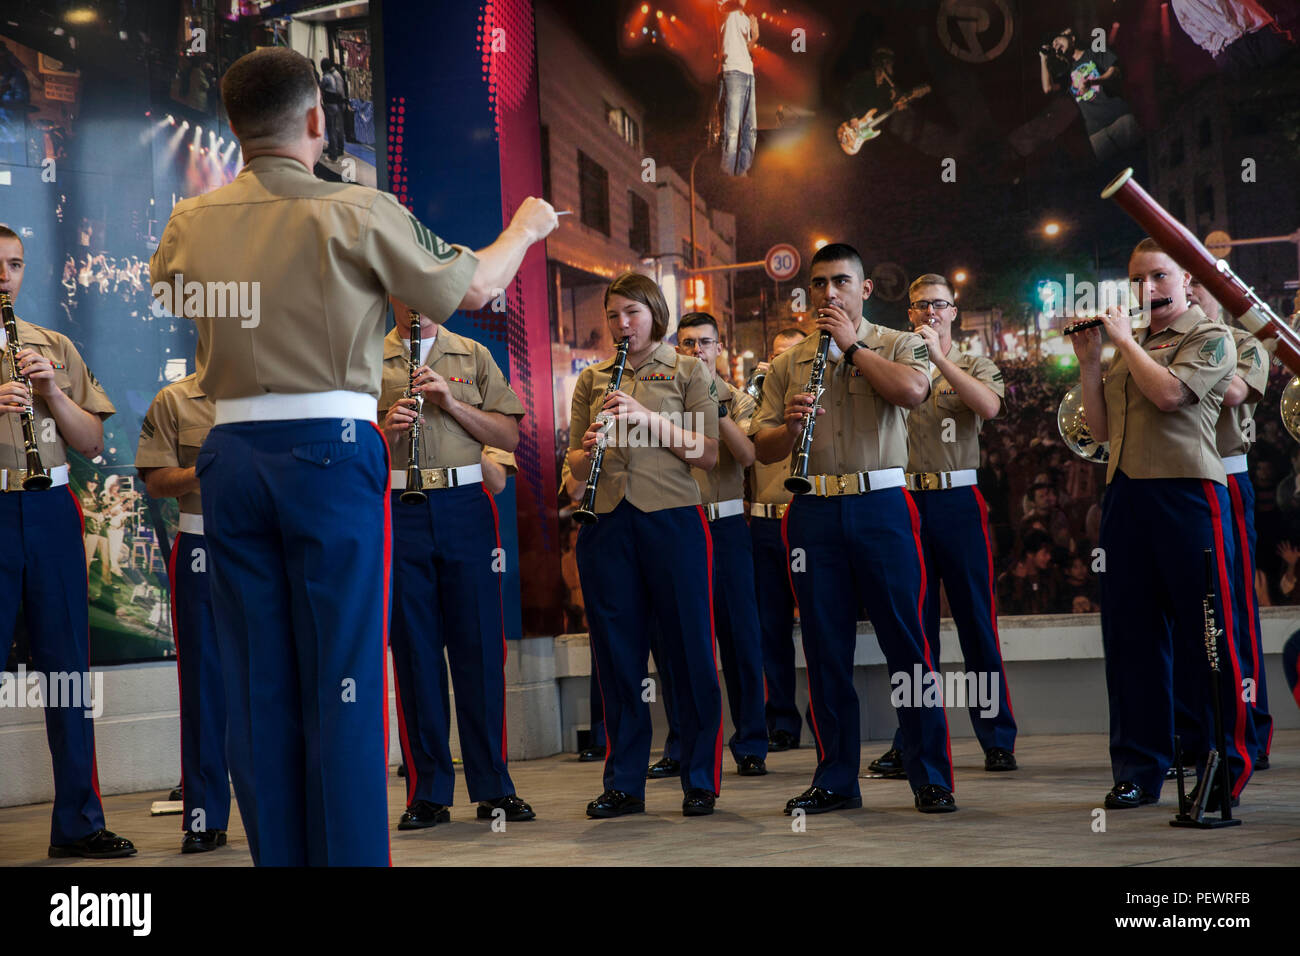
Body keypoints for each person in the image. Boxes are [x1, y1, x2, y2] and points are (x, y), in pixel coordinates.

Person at [149, 47, 556, 866]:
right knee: (344, 678)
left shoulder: (188, 221)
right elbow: (474, 290)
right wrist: (526, 226)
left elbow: (172, 295)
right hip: (329, 453)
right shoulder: (359, 209)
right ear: (313, 121)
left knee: (258, 680)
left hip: (229, 453)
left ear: (232, 127)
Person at [752, 243, 956, 815]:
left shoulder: (899, 342)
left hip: (882, 504)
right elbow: (759, 445)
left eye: (841, 281)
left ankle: (930, 775)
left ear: (865, 289)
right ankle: (836, 776)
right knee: (823, 648)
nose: (828, 293)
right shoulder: (790, 362)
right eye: (818, 284)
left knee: (907, 644)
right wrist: (789, 428)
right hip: (812, 509)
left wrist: (852, 346)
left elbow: (912, 392)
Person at [1071, 237, 1253, 812]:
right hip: (1126, 493)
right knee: (1130, 640)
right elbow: (1099, 434)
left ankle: (1224, 760)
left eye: (1158, 277)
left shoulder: (1210, 337)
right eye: (1137, 280)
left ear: (1185, 279)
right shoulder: (1134, 344)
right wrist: (1090, 363)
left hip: (1187, 492)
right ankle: (1139, 767)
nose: (1145, 290)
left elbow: (1172, 396)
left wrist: (1124, 340)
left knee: (1208, 635)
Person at [566, 272, 723, 818]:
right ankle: (624, 782)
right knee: (617, 657)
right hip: (606, 522)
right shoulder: (592, 381)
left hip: (673, 520)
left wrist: (646, 418)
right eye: (612, 316)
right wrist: (588, 451)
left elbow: (708, 453)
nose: (621, 324)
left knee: (689, 652)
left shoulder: (688, 370)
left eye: (631, 312)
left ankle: (699, 777)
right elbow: (571, 477)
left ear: (655, 312)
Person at [0, 225, 134, 859]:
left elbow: (92, 444)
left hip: (50, 509)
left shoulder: (51, 345)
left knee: (67, 675)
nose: (6, 276)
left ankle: (79, 825)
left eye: (16, 264)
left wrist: (51, 391)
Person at [380, 296, 533, 828]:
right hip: (399, 508)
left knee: (480, 649)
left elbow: (509, 436)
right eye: (403, 288)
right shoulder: (365, 359)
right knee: (415, 653)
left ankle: (494, 787)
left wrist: (449, 402)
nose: (415, 301)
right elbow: (350, 444)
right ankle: (427, 792)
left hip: (466, 506)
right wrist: (385, 432)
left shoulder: (472, 355)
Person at [868, 274, 1017, 779]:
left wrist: (939, 360)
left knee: (977, 620)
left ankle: (997, 737)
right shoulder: (894, 363)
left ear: (954, 311)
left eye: (939, 304)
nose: (929, 312)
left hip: (957, 497)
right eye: (919, 306)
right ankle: (910, 740)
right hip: (904, 500)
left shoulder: (974, 364)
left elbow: (990, 407)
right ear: (909, 314)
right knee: (915, 628)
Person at [661, 312, 767, 775]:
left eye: (706, 343)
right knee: (678, 642)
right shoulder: (661, 398)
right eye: (687, 343)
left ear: (718, 349)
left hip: (725, 528)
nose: (697, 351)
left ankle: (751, 744)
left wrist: (714, 404)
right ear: (676, 348)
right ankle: (682, 745)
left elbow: (748, 456)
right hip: (677, 527)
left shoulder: (739, 399)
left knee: (740, 638)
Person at [136, 372, 229, 853]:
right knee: (203, 685)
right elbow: (155, 482)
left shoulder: (277, 393)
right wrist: (204, 472)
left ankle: (286, 808)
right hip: (200, 545)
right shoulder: (174, 399)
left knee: (281, 683)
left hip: (271, 547)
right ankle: (204, 817)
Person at [1189, 279, 1273, 769]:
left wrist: (1195, 346)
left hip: (1225, 476)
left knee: (1235, 606)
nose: (1192, 289)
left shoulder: (1243, 343)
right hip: (1176, 482)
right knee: (1189, 614)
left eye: (1200, 280)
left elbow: (1237, 390)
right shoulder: (1156, 342)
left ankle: (1250, 727)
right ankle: (1197, 731)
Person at [748, 326, 806, 751]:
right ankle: (781, 719)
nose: (784, 364)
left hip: (807, 516)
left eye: (793, 355)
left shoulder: (819, 398)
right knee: (771, 628)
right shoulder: (754, 402)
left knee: (825, 623)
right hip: (764, 524)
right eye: (777, 357)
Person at [1039, 27, 1141, 161]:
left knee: (1138, 160)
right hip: (1096, 132)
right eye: (1053, 46)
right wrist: (1043, 59)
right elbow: (1048, 89)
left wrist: (1093, 82)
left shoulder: (1094, 52)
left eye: (1057, 40)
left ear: (1072, 39)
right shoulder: (1066, 74)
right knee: (1113, 173)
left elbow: (1115, 72)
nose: (1055, 45)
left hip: (1119, 118)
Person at [717, 0, 758, 176]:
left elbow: (747, 48)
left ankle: (742, 172)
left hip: (748, 71)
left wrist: (754, 37)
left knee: (750, 128)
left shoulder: (745, 18)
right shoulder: (727, 6)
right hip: (733, 71)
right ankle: (728, 173)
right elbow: (723, 7)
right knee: (732, 128)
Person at [319, 58, 346, 161]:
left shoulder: (334, 75)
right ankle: (334, 148)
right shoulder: (333, 75)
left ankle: (337, 150)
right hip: (336, 102)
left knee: (335, 128)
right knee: (335, 128)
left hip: (336, 102)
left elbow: (339, 91)